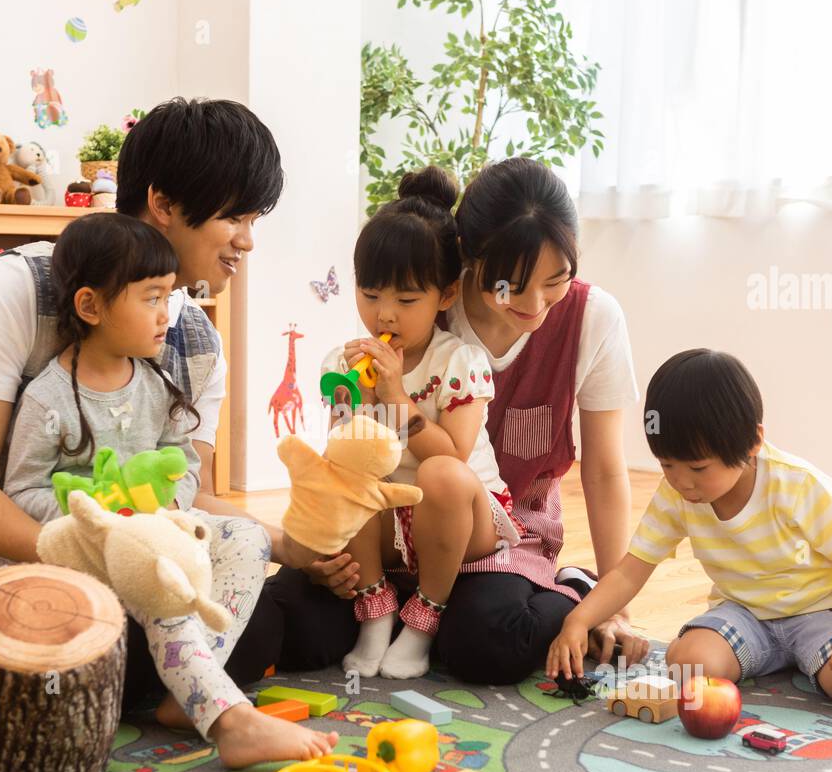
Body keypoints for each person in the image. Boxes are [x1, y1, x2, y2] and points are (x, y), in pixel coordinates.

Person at [0, 99, 294, 712]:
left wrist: (292, 544)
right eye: (235, 216)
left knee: (269, 628)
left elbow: (190, 489)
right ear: (163, 203)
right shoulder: (17, 287)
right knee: (74, 646)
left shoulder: (198, 343)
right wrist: (99, 553)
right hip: (1, 540)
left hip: (129, 543)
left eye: (255, 219)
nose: (248, 240)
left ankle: (152, 682)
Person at [256, 157, 651, 683]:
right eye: (510, 286)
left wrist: (610, 602)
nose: (535, 305)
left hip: (499, 535)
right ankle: (397, 613)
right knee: (298, 627)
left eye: (556, 281)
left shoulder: (592, 319)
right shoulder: (419, 300)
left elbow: (603, 469)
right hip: (384, 527)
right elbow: (348, 451)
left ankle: (567, 587)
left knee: (488, 644)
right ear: (465, 263)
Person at [548, 349, 832, 713]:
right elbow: (629, 571)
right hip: (745, 614)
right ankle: (789, 661)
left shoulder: (798, 485)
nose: (682, 482)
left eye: (699, 468)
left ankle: (813, 656)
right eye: (667, 464)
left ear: (752, 442)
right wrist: (578, 620)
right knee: (686, 663)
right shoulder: (675, 494)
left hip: (821, 614)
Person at [321, 167, 524, 679]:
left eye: (406, 300)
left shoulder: (459, 361)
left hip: (461, 518)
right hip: (388, 523)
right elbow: (342, 455)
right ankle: (376, 611)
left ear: (447, 295)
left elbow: (452, 455)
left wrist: (395, 399)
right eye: (370, 295)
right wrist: (357, 401)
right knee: (345, 468)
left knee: (440, 475)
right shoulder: (342, 362)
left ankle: (423, 619)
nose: (385, 315)